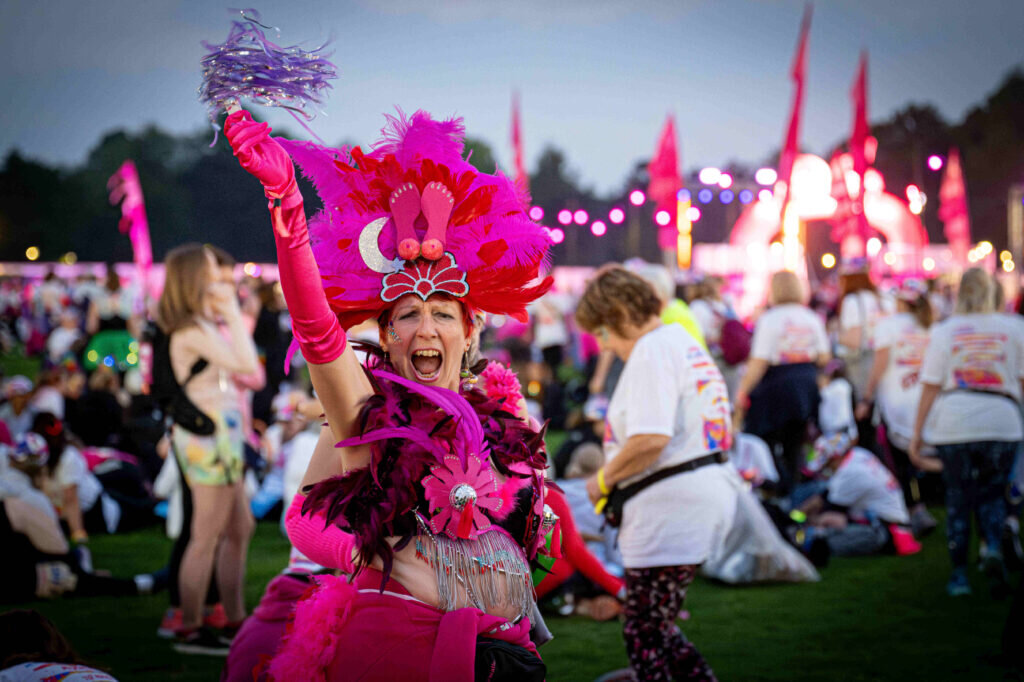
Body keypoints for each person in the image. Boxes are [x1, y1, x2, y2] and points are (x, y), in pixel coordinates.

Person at [224, 107, 555, 680]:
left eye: (443, 315)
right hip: (403, 647)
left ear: (470, 330)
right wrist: (287, 203)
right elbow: (317, 332)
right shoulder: (365, 413)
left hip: (507, 650)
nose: (426, 330)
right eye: (407, 315)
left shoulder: (501, 410)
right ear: (385, 334)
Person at [575, 266, 734, 682]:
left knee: (644, 634)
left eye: (603, 332)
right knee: (657, 629)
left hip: (671, 510)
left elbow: (650, 438)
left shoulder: (652, 350)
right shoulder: (679, 340)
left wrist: (601, 481)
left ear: (619, 316)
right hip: (694, 498)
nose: (604, 345)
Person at [156, 243, 259, 653]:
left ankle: (234, 619)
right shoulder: (190, 331)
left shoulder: (198, 324)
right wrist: (232, 311)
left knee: (239, 528)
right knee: (206, 534)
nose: (221, 280)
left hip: (221, 434)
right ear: (195, 278)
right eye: (213, 272)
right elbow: (247, 365)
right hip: (207, 438)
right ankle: (191, 626)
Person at [911, 267, 1024, 597]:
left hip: (954, 421)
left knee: (958, 498)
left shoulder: (946, 330)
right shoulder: (1015, 327)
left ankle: (959, 575)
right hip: (1002, 421)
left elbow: (930, 386)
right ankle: (992, 551)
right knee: (993, 493)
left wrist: (917, 434)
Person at [733, 271, 830, 497]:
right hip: (805, 384)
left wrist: (741, 391)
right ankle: (793, 494)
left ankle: (776, 490)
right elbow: (824, 356)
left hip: (776, 385)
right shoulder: (811, 317)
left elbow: (759, 362)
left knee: (764, 440)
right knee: (795, 443)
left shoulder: (770, 319)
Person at [856, 279, 938, 537]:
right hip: (927, 400)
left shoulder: (888, 325)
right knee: (925, 453)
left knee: (899, 459)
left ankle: (914, 509)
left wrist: (866, 396)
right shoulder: (933, 326)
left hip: (896, 401)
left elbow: (879, 365)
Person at [836, 260, 883, 399]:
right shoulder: (880, 298)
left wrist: (835, 336)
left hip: (863, 364)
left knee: (863, 402)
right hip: (882, 359)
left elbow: (854, 341)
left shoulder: (852, 300)